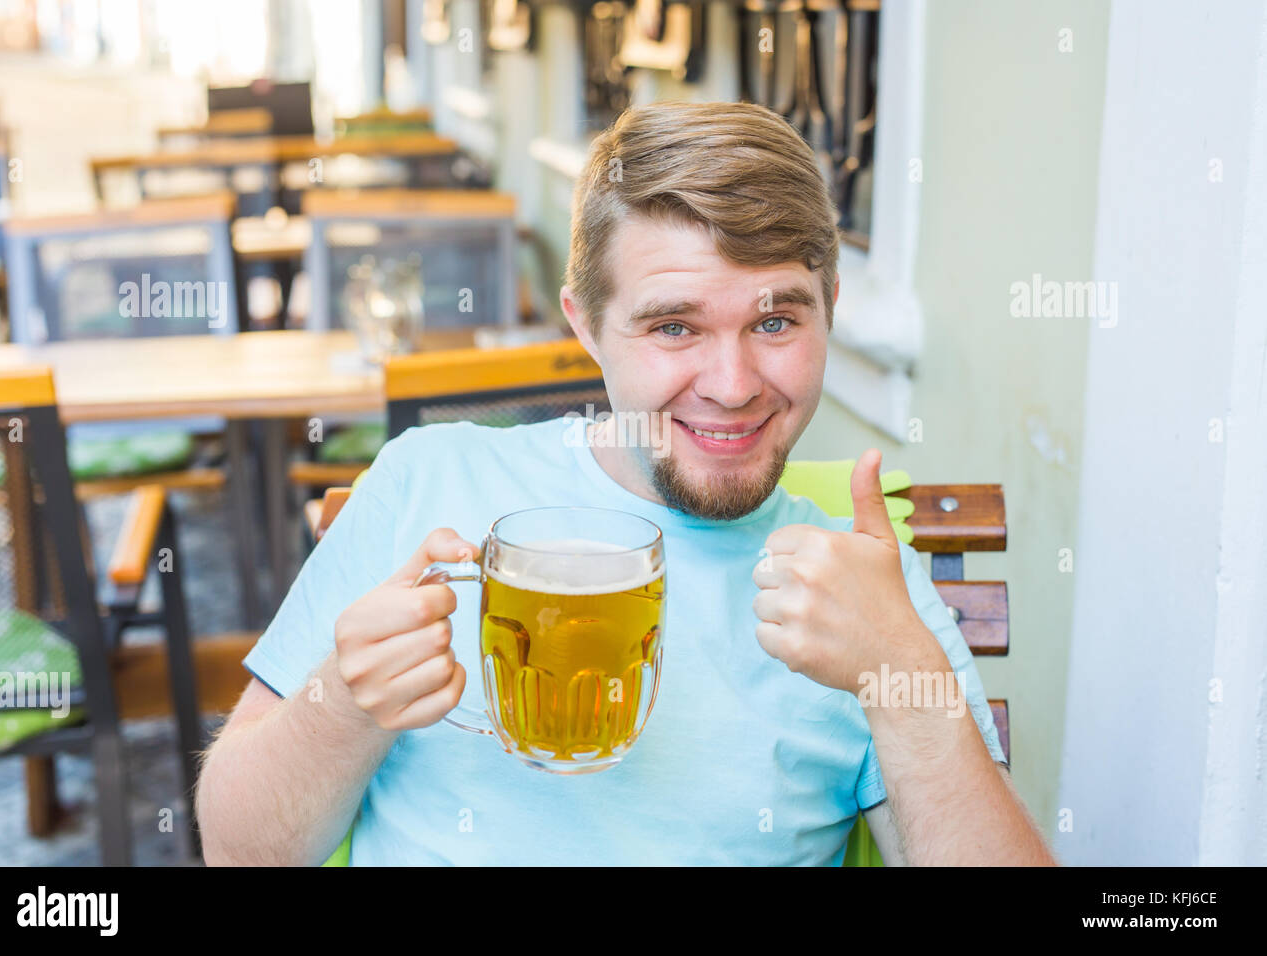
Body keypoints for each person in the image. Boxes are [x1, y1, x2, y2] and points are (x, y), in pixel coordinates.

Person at [197, 100, 1055, 866]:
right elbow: (238, 850)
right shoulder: (430, 481)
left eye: (776, 319)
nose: (732, 381)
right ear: (586, 326)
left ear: (830, 305)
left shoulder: (870, 588)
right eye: (674, 326)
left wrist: (903, 683)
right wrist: (341, 708)